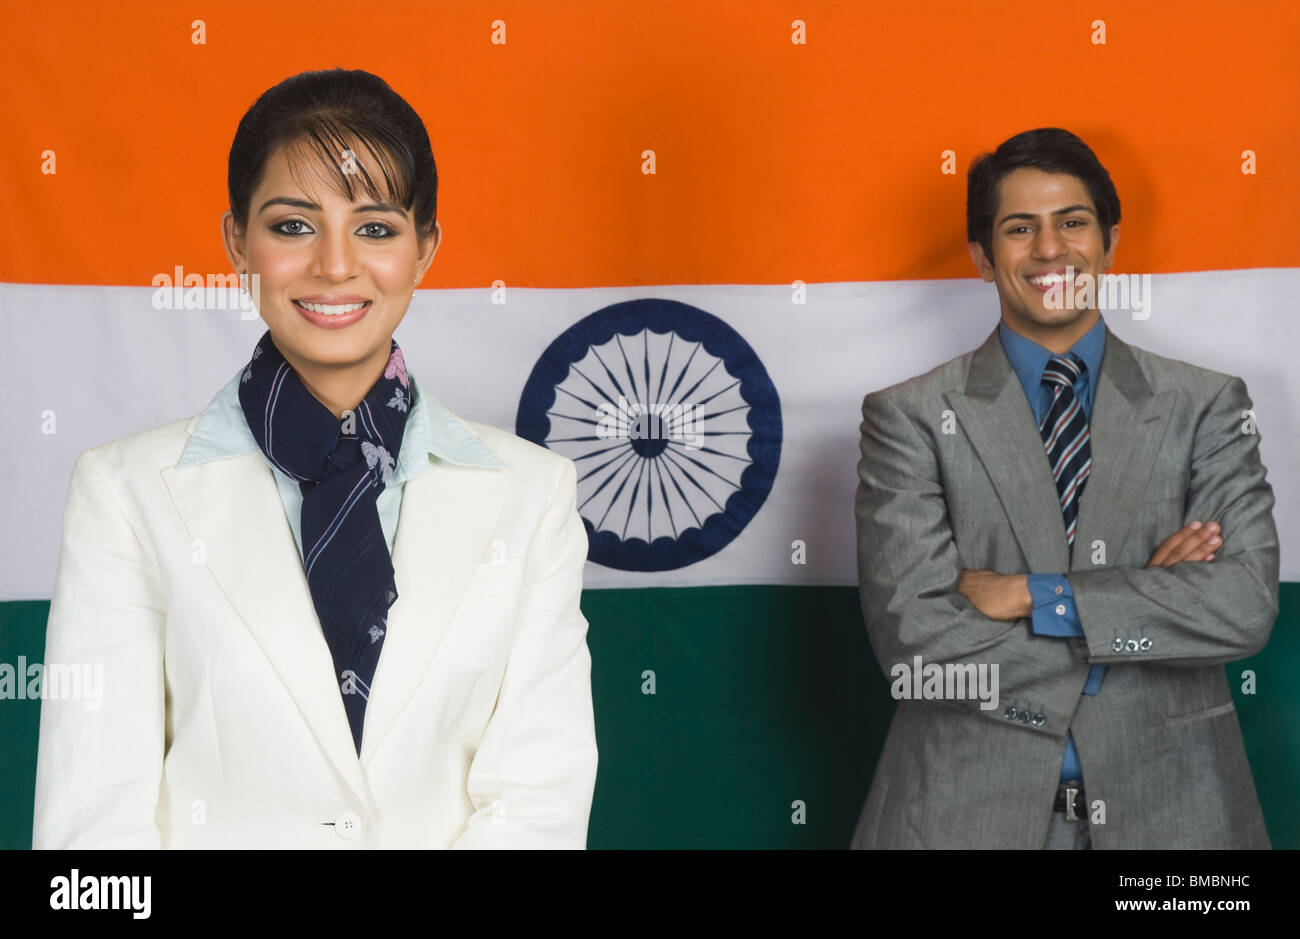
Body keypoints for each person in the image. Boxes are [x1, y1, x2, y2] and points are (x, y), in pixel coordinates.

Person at [32, 68, 598, 849]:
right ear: (237, 241)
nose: (335, 266)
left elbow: (538, 804)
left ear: (425, 248)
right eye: (294, 226)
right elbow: (92, 832)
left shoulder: (534, 496)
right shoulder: (122, 493)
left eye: (375, 228)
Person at [850, 127, 1278, 849]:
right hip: (964, 813)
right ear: (984, 258)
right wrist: (1143, 600)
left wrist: (1033, 595)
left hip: (1177, 818)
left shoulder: (1207, 404)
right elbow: (917, 648)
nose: (1050, 249)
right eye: (1020, 228)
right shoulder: (910, 416)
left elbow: (1242, 609)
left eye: (1072, 222)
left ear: (1108, 241)